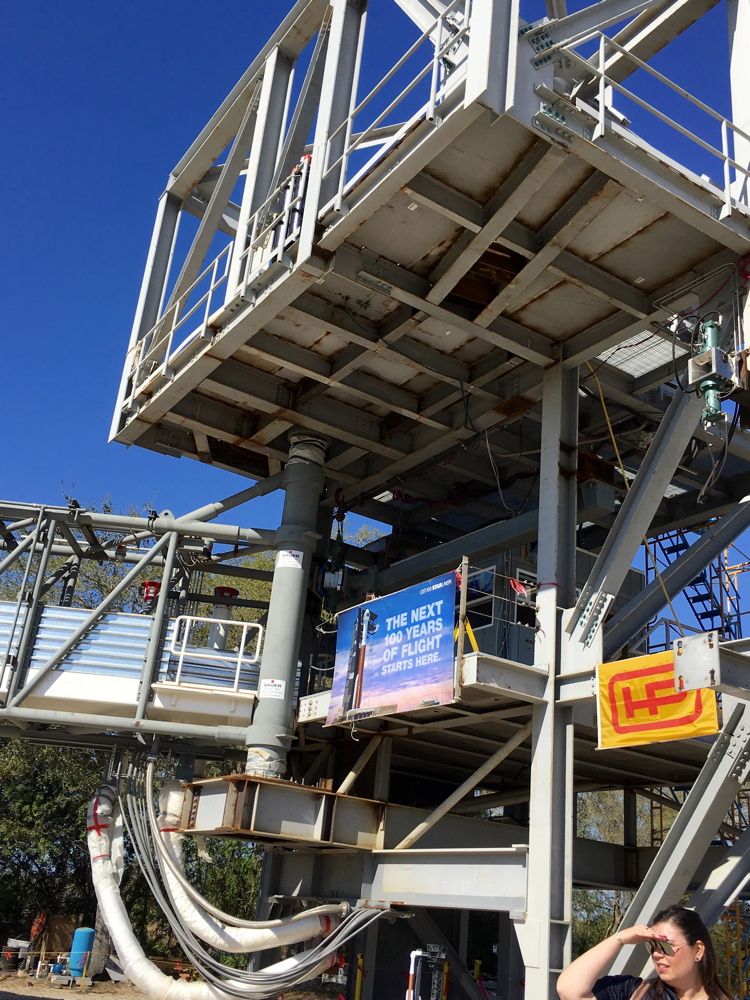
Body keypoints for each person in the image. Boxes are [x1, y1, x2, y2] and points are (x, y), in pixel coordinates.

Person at [556, 905, 733, 1000]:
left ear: (698, 950)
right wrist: (620, 938)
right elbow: (569, 990)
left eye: (666, 946)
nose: (656, 954)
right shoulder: (635, 992)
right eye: (652, 946)